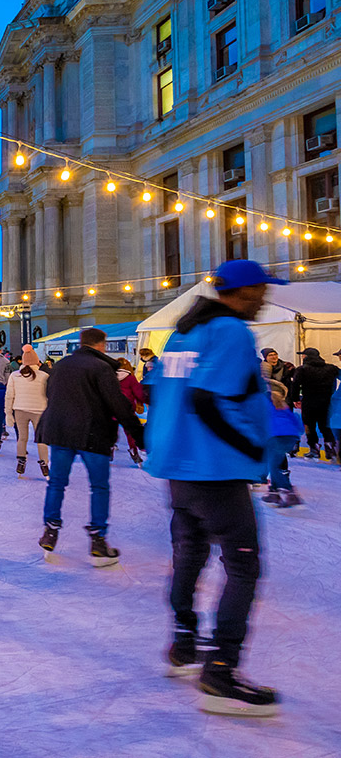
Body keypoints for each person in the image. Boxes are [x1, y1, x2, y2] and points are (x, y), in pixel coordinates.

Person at [144, 259, 285, 716]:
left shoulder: (182, 334)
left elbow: (163, 393)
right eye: (260, 289)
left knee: (189, 554)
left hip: (180, 466)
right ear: (241, 292)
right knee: (244, 567)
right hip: (215, 469)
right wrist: (250, 450)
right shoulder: (230, 332)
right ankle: (221, 670)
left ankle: (185, 642)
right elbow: (207, 400)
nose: (264, 297)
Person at [36, 328, 145, 566]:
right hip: (93, 434)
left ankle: (50, 531)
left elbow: (49, 394)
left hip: (61, 433)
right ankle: (97, 540)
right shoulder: (102, 368)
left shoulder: (61, 366)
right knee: (99, 487)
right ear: (101, 345)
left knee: (57, 483)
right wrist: (140, 436)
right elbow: (119, 405)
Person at [288, 346, 339, 462]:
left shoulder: (302, 369)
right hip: (326, 401)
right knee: (325, 425)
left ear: (306, 356)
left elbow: (295, 385)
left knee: (309, 426)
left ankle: (314, 449)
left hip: (309, 401)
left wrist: (295, 399)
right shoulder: (331, 368)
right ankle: (330, 447)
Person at [5, 345, 49, 478]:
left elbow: (9, 395)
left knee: (22, 437)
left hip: (20, 409)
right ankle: (44, 464)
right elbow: (49, 395)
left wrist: (8, 413)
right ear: (37, 361)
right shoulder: (44, 376)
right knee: (41, 439)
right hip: (39, 411)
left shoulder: (15, 375)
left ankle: (21, 461)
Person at [261, 381, 303, 508]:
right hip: (290, 438)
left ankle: (289, 492)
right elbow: (299, 425)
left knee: (273, 467)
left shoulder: (265, 406)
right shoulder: (284, 409)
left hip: (275, 437)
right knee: (275, 464)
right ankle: (273, 491)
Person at [116, 357, 146, 465]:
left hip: (112, 408)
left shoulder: (110, 377)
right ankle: (133, 450)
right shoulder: (130, 379)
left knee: (110, 429)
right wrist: (144, 401)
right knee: (130, 432)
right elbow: (139, 393)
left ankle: (109, 448)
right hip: (127, 409)